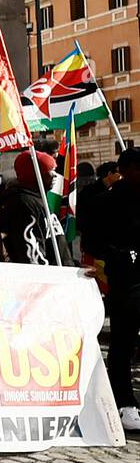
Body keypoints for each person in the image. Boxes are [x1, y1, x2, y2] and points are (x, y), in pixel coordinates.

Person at [93, 147, 140, 431]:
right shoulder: (106, 201)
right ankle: (124, 402)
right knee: (123, 342)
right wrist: (122, 256)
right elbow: (94, 242)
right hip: (126, 283)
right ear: (126, 170)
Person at [0, 150, 70, 265]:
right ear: (35, 175)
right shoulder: (24, 203)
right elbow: (31, 254)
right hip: (46, 274)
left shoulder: (39, 199)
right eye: (50, 170)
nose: (55, 175)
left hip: (61, 272)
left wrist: (74, 266)